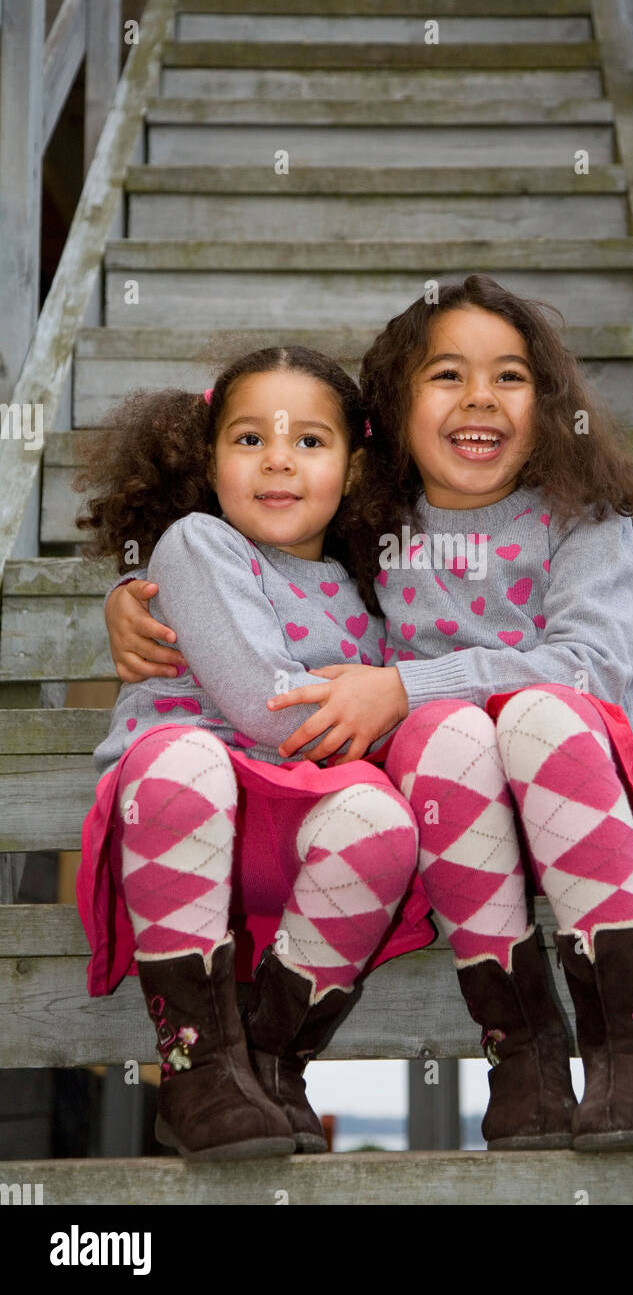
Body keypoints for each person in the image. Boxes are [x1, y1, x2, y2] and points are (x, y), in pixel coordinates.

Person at [104, 277, 633, 1152]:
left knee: (537, 711)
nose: (479, 398)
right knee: (447, 732)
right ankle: (523, 1059)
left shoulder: (584, 520)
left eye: (510, 377)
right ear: (390, 416)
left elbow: (593, 670)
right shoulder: (375, 526)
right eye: (447, 376)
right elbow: (262, 565)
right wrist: (132, 596)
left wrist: (407, 687)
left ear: (549, 401)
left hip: (581, 804)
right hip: (443, 814)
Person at [75, 346, 422, 1161]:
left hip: (284, 827)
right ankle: (198, 1068)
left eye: (309, 441)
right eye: (248, 439)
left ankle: (269, 1063)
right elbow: (267, 707)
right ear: (208, 458)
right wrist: (372, 707)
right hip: (180, 816)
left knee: (383, 819)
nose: (278, 461)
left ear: (354, 464)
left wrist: (394, 699)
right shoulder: (196, 545)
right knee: (183, 757)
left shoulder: (360, 591)